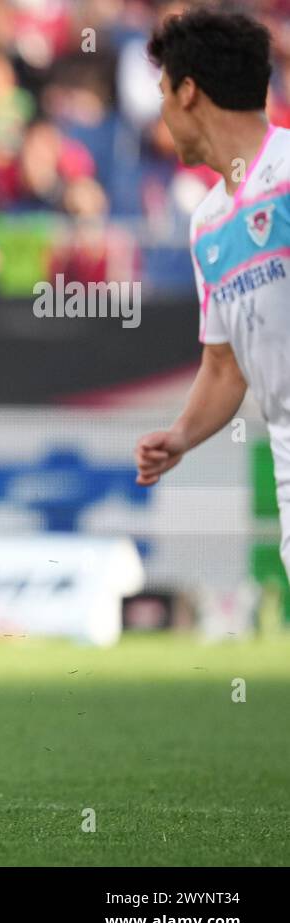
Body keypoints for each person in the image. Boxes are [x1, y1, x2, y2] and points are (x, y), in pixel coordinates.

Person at [135, 11, 289, 583]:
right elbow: (225, 367)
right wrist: (180, 434)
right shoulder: (208, 223)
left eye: (163, 93)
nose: (162, 112)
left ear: (189, 91)